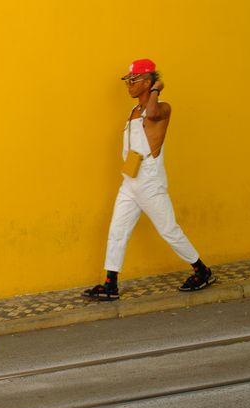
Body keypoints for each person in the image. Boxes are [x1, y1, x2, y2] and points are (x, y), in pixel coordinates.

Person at [82, 58, 213, 301]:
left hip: (150, 180)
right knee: (117, 229)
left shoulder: (162, 108)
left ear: (147, 82)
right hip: (130, 180)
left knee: (169, 230)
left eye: (134, 80)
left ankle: (201, 270)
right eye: (128, 80)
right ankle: (111, 283)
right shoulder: (133, 111)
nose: (129, 85)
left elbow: (152, 113)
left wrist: (156, 89)